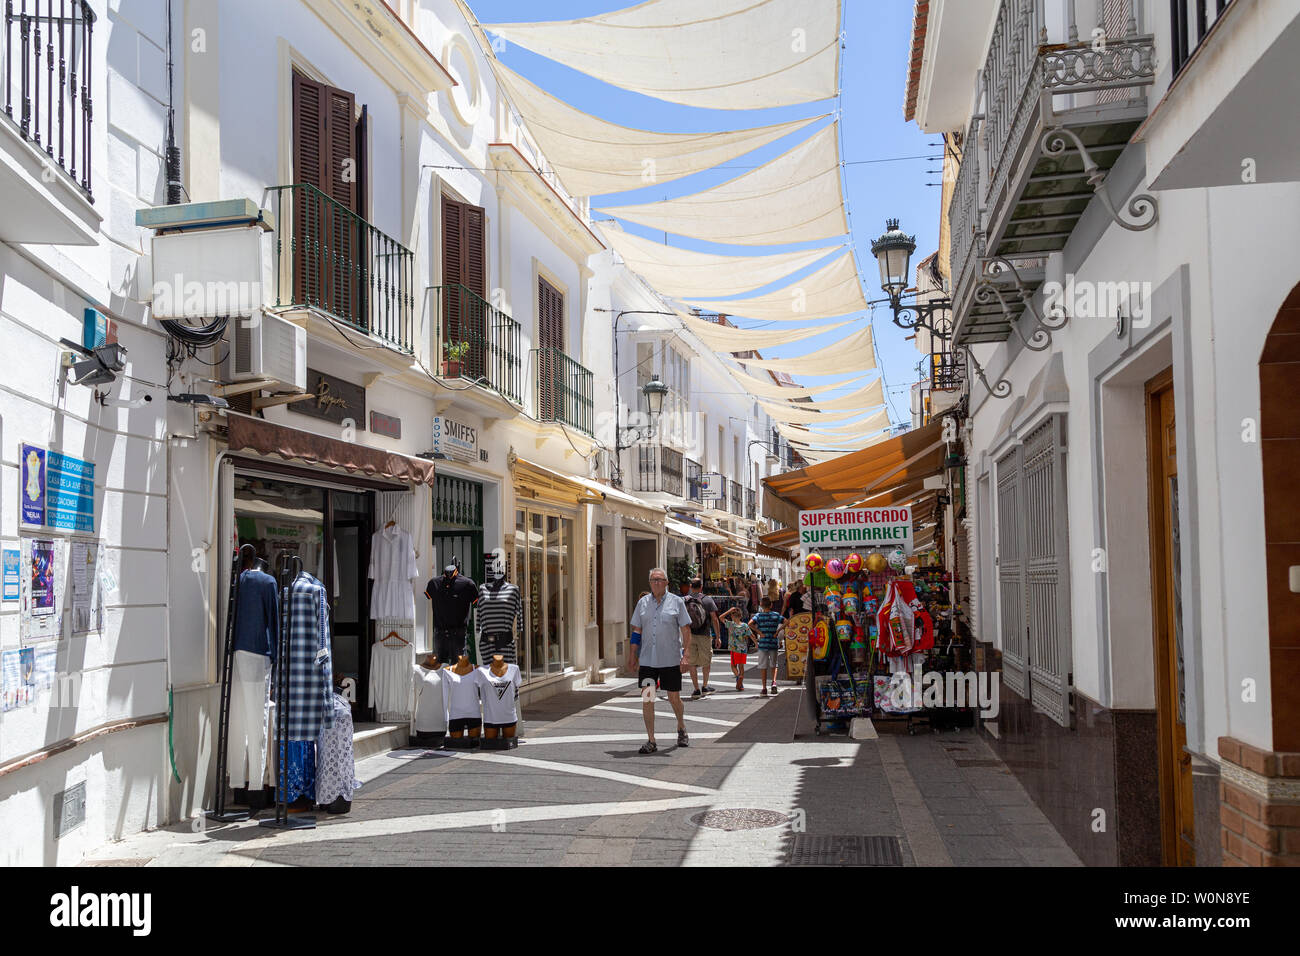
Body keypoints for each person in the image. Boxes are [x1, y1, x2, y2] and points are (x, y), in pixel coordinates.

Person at [628, 568, 692, 754]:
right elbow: (636, 631)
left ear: (666, 582)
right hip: (648, 661)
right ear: (649, 582)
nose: (656, 583)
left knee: (674, 698)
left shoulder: (677, 602)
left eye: (660, 580)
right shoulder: (642, 603)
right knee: (648, 699)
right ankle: (651, 740)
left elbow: (686, 630)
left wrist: (686, 655)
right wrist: (633, 655)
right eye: (653, 580)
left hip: (670, 659)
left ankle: (681, 726)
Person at [425, 559, 479, 664]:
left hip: (458, 633)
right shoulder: (434, 583)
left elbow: (476, 602)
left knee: (459, 667)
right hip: (439, 632)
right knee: (438, 666)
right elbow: (428, 595)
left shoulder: (468, 584)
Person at [684, 579, 720, 699]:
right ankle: (705, 686)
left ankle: (696, 689)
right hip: (704, 634)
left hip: (689, 634)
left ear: (690, 586)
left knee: (692, 663)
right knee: (706, 661)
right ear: (701, 587)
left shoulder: (684, 600)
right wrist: (718, 637)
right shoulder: (707, 600)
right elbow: (714, 619)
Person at [748, 597, 785, 698]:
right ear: (771, 605)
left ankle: (764, 688)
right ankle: (773, 682)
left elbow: (750, 624)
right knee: (774, 664)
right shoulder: (776, 615)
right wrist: (778, 631)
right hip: (773, 642)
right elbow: (787, 622)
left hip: (763, 644)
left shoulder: (758, 615)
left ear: (761, 605)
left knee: (763, 666)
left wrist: (759, 632)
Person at [719, 605, 754, 692]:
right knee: (741, 666)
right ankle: (740, 684)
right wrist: (756, 643)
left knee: (733, 665)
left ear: (732, 616)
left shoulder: (730, 624)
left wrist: (729, 610)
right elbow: (751, 635)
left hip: (734, 648)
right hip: (743, 649)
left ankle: (738, 677)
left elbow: (720, 617)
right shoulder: (745, 625)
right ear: (741, 616)